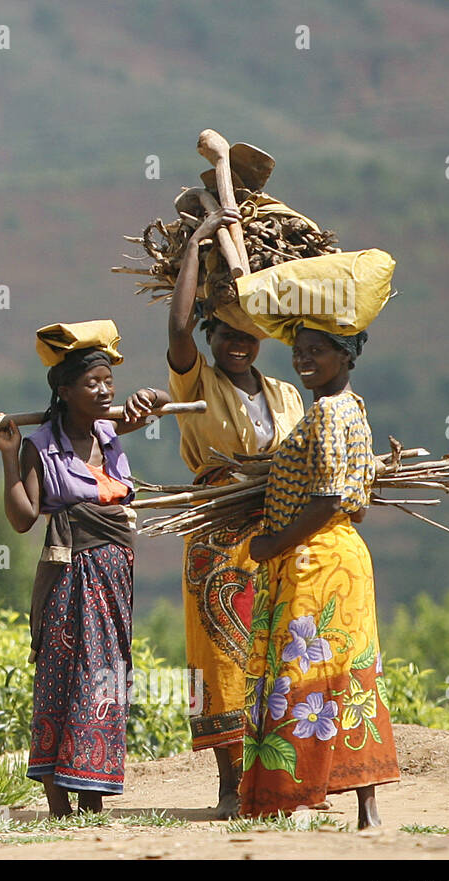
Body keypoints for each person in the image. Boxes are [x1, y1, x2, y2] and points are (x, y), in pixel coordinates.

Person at [161, 208, 305, 819]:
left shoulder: (287, 395)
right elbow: (175, 330)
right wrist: (195, 244)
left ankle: (283, 779)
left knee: (282, 648)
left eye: (249, 336)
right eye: (226, 335)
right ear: (211, 337)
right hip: (218, 529)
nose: (238, 345)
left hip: (279, 528)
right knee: (222, 652)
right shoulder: (197, 383)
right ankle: (229, 783)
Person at [0, 320, 164, 817]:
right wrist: (8, 457)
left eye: (109, 381)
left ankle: (94, 796)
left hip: (114, 578)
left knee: (106, 676)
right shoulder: (39, 446)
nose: (105, 390)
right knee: (65, 676)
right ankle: (58, 802)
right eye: (92, 383)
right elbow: (23, 518)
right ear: (64, 392)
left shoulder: (110, 434)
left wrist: (149, 394)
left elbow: (157, 401)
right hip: (70, 577)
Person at [241, 323, 399, 828]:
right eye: (299, 351)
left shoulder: (329, 413)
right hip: (345, 555)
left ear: (346, 357)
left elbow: (328, 498)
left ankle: (288, 797)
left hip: (316, 560)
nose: (304, 360)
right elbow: (358, 505)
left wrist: (271, 545)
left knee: (302, 674)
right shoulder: (355, 407)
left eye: (318, 352)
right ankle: (366, 808)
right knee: (347, 678)